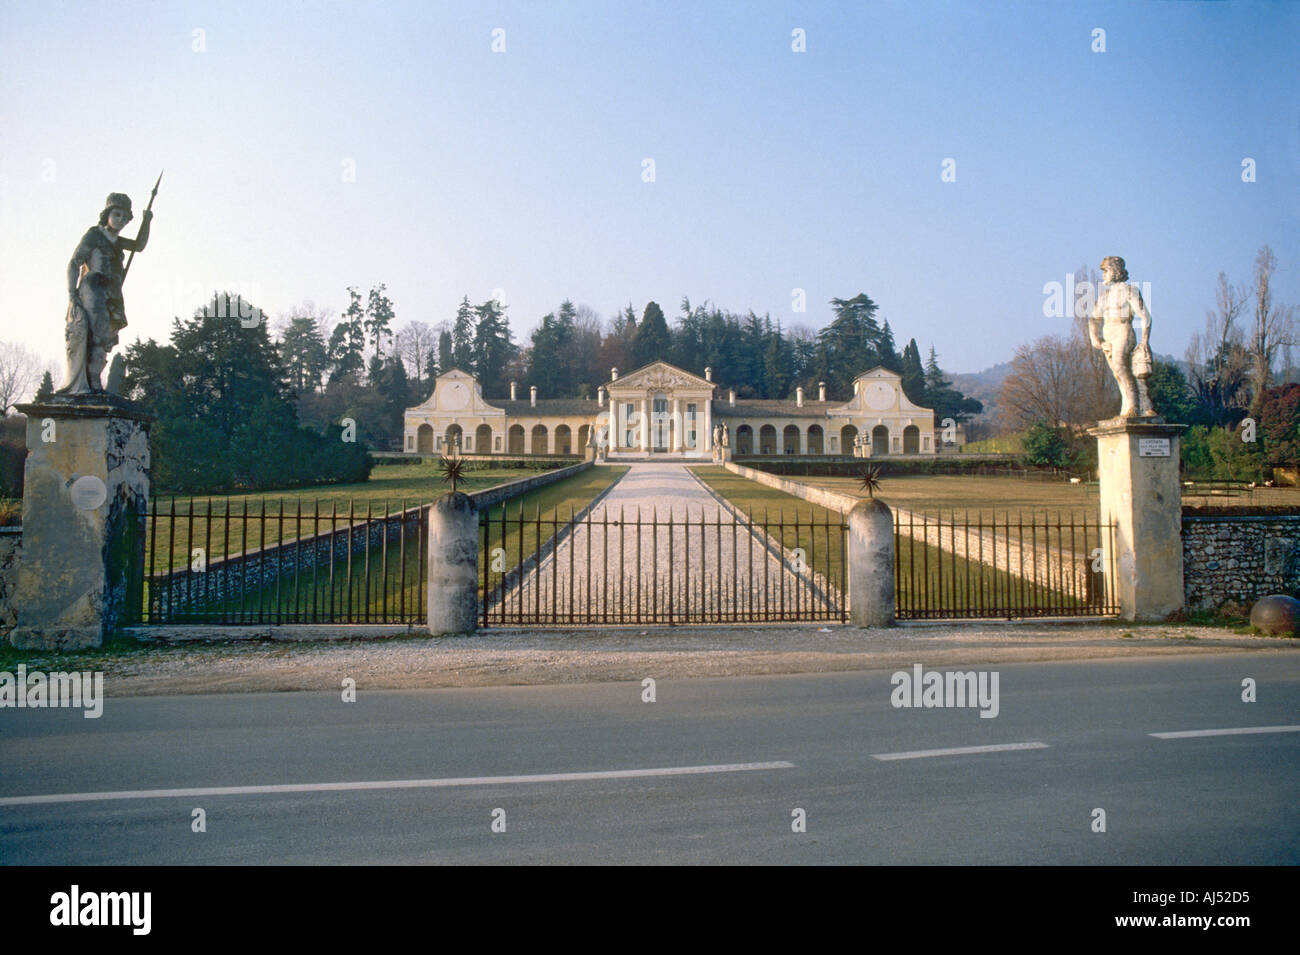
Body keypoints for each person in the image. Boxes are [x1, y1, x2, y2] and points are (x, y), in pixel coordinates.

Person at [58, 192, 153, 394]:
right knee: (95, 336)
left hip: (113, 292)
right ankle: (87, 382)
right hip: (93, 288)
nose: (121, 220)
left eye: (125, 218)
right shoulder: (94, 235)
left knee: (105, 339)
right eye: (117, 214)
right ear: (107, 214)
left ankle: (94, 382)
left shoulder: (118, 241)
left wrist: (147, 220)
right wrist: (71, 293)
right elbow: (74, 263)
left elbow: (139, 246)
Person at [1089, 255, 1155, 418]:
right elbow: (1093, 319)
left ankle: (1133, 407)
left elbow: (1145, 316)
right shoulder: (1105, 296)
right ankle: (1135, 407)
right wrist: (1096, 340)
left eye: (1106, 271)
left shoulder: (1129, 291)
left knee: (1120, 365)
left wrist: (1144, 341)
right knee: (1118, 373)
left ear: (1115, 271)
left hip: (1123, 330)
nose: (1103, 275)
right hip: (1109, 335)